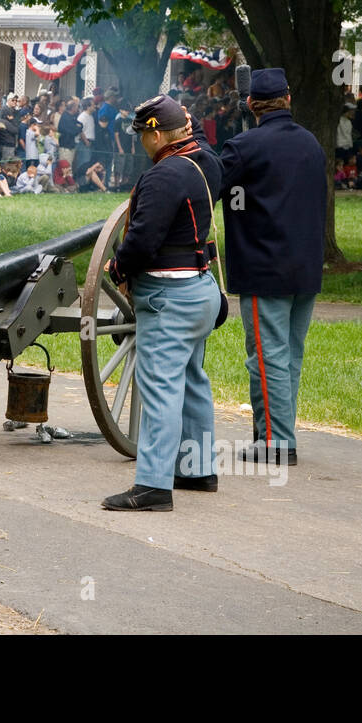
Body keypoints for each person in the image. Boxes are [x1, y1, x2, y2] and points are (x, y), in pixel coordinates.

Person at [101, 95, 223, 511]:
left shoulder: (161, 177)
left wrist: (117, 269)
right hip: (201, 290)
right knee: (192, 380)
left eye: (143, 135)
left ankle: (153, 486)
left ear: (154, 134)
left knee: (160, 389)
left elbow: (141, 242)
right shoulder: (206, 164)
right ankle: (198, 468)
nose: (141, 143)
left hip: (170, 296)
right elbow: (203, 144)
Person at [218, 68, 326, 467]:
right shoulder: (312, 144)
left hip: (267, 269)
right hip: (306, 268)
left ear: (250, 104)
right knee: (289, 357)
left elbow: (210, 186)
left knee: (267, 359)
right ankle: (276, 435)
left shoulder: (243, 146)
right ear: (289, 98)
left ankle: (278, 443)